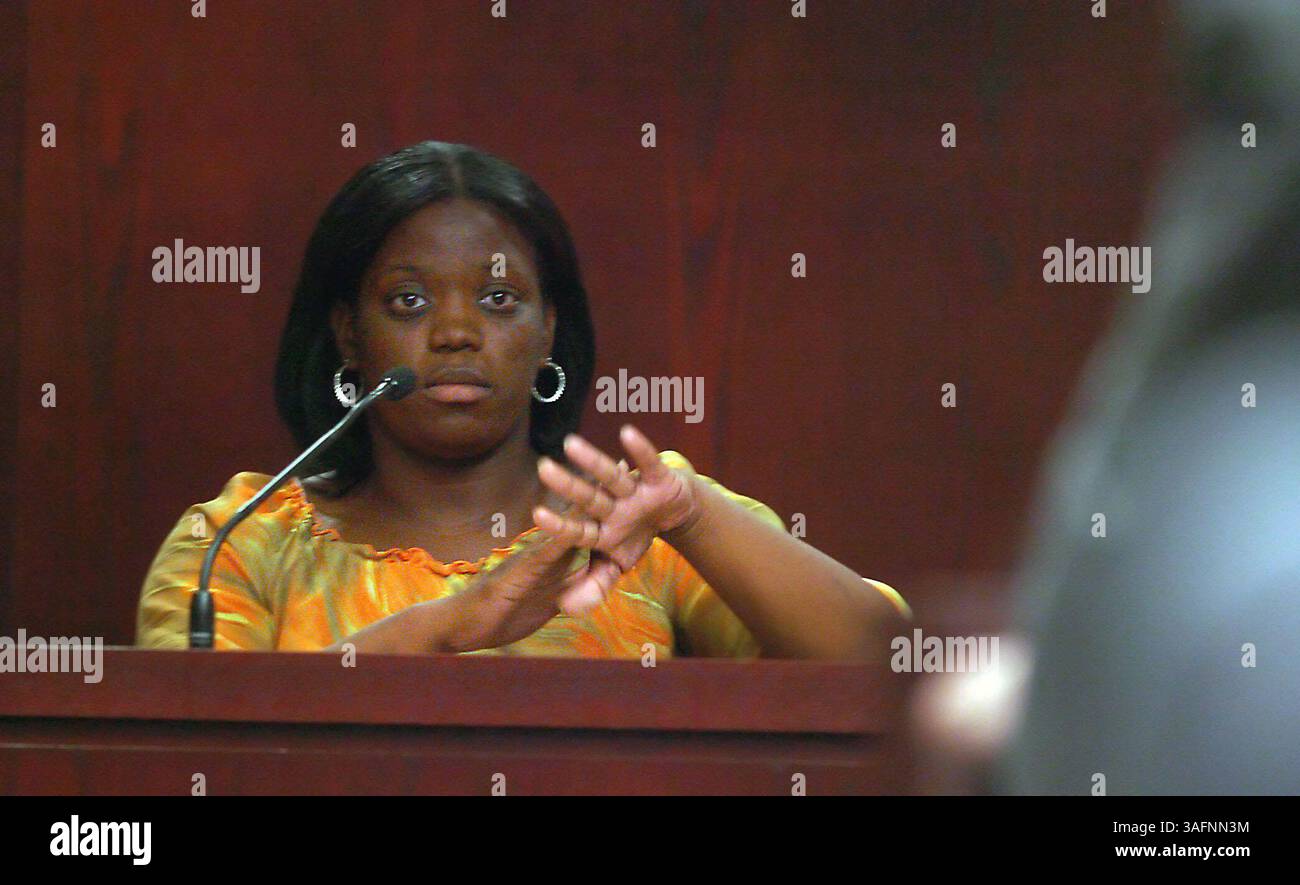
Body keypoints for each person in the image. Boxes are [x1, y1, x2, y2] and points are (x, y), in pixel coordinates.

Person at [136, 140, 910, 659]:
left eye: (500, 299)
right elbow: (199, 762)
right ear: (347, 334)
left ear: (547, 333)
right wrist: (452, 628)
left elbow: (889, 664)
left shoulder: (636, 524)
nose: (456, 332)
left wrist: (695, 517)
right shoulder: (236, 544)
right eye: (408, 302)